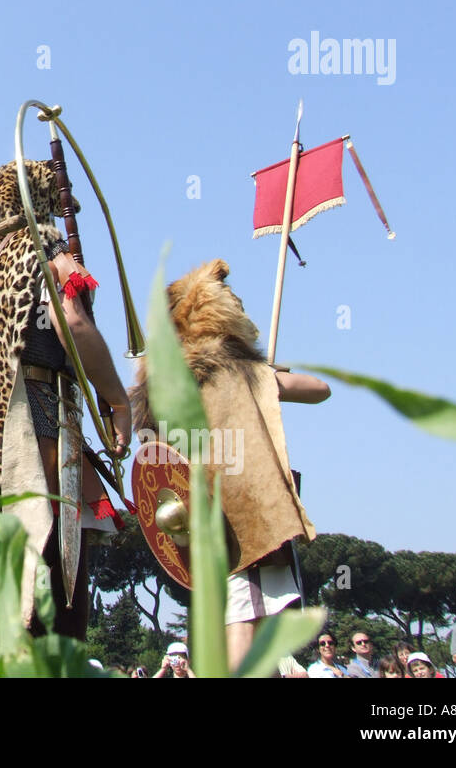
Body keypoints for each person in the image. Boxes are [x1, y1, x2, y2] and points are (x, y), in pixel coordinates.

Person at [0, 160, 131, 642]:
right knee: (57, 607)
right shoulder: (42, 245)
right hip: (41, 434)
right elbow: (73, 325)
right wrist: (117, 399)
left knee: (15, 594)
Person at [130, 260, 330, 670]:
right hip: (244, 520)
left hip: (195, 526)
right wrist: (266, 374)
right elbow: (320, 390)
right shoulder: (243, 374)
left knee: (233, 617)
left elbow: (157, 459)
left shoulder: (159, 392)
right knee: (245, 618)